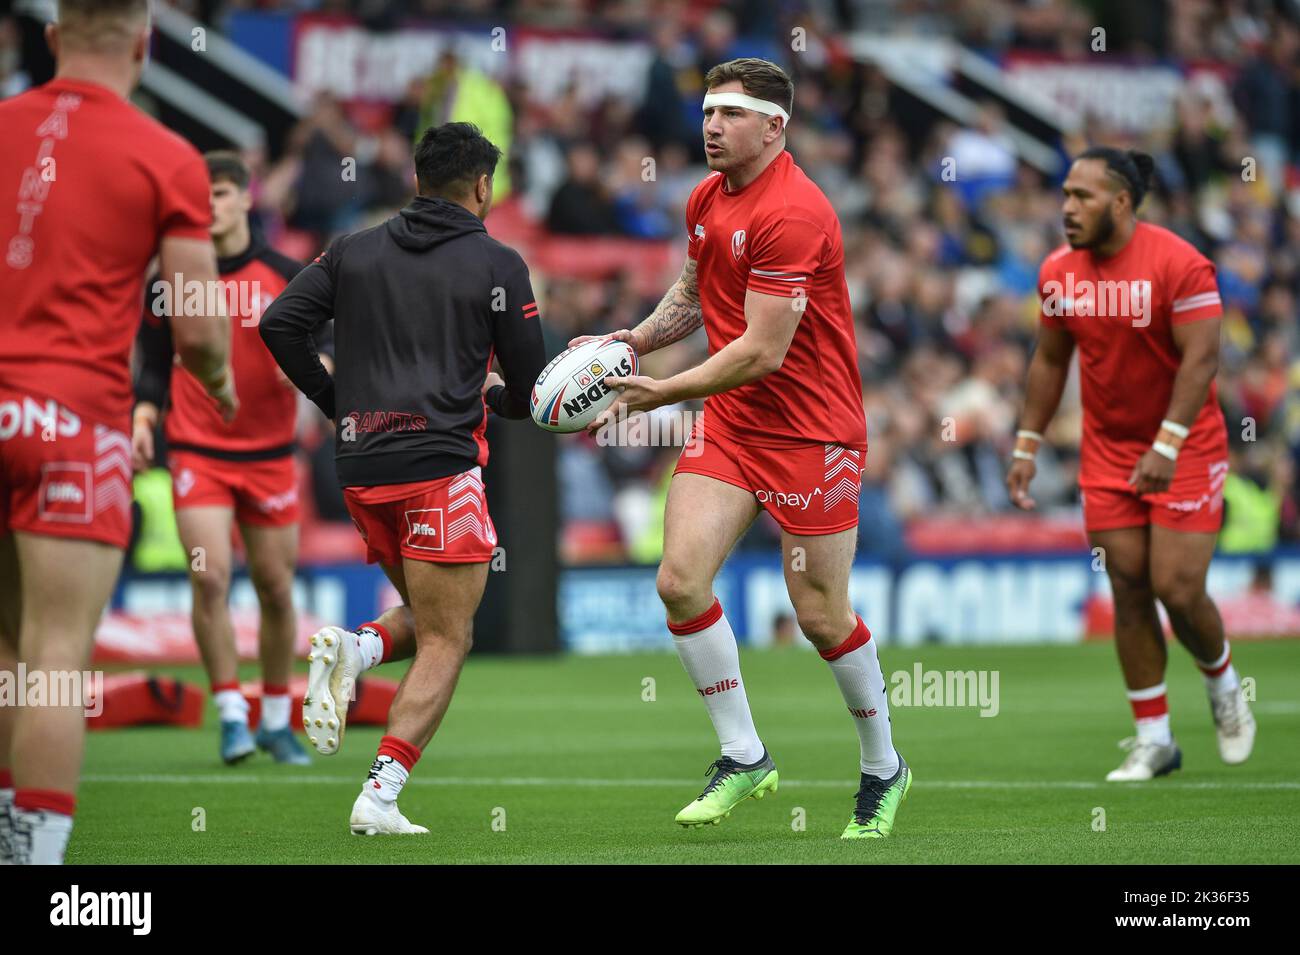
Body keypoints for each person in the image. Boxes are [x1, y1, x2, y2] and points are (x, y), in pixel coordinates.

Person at [575, 58, 910, 839]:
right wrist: (635, 340)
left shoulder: (795, 211)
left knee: (822, 615)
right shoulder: (704, 196)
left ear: (774, 126)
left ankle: (882, 765)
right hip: (733, 422)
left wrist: (666, 389)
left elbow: (762, 349)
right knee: (679, 578)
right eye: (706, 112)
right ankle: (744, 753)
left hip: (811, 433)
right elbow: (692, 294)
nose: (711, 126)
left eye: (729, 113)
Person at [259, 122, 545, 835]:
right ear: (482, 186)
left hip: (361, 470)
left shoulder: (354, 249)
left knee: (431, 615)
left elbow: (279, 323)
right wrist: (500, 401)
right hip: (442, 470)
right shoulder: (498, 264)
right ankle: (379, 795)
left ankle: (354, 650)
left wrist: (338, 408)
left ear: (418, 179)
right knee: (452, 636)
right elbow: (531, 385)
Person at [0, 0, 233, 864]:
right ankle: (35, 864)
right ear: (144, 44)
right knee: (55, 655)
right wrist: (213, 381)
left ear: (54, 39)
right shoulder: (166, 155)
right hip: (70, 418)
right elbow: (200, 322)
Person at [1006, 146, 1256, 781]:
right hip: (1108, 450)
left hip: (1186, 445)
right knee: (1128, 584)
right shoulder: (1059, 272)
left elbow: (1202, 360)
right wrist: (1027, 445)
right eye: (1064, 194)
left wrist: (1168, 445)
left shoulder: (1180, 263)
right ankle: (1154, 738)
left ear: (1121, 202)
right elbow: (1050, 359)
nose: (1066, 208)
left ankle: (1224, 684)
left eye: (1081, 196)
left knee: (1176, 586)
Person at [133, 151, 333, 767]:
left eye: (221, 193)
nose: (211, 205)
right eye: (203, 195)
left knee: (275, 589)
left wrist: (310, 374)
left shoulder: (287, 273)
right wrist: (144, 416)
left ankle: (275, 717)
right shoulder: (173, 280)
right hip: (198, 447)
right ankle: (228, 715)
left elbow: (323, 354)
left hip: (271, 454)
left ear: (247, 198)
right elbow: (151, 358)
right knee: (210, 575)